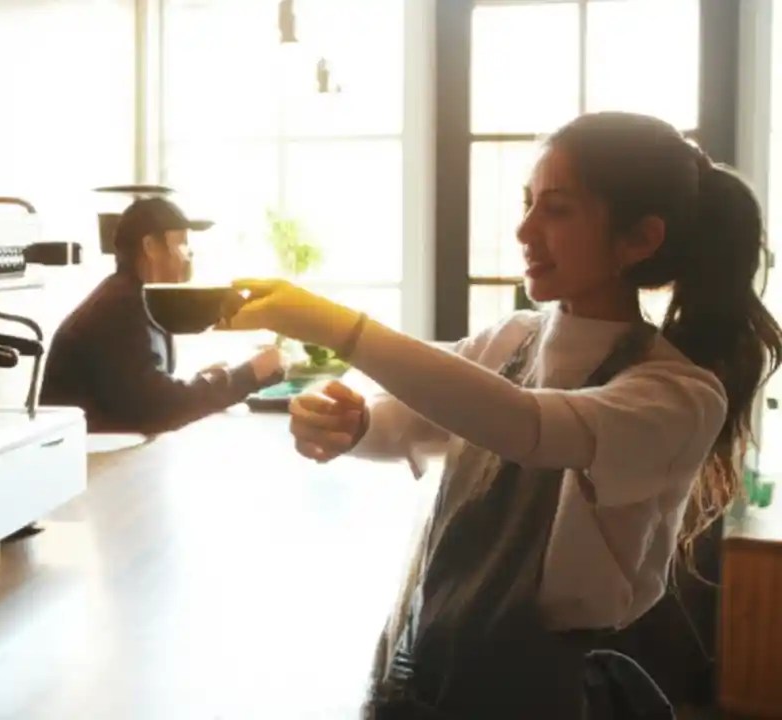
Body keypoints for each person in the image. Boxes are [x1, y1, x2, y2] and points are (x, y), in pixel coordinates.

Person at [224, 111, 782, 719]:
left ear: (639, 239)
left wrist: (340, 327)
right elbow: (411, 420)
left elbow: (529, 427)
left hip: (552, 689)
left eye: (557, 209)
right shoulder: (511, 339)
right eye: (527, 203)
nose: (524, 229)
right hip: (432, 655)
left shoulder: (676, 393)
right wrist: (352, 424)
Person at [40, 196, 284, 434]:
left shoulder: (139, 298)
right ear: (150, 247)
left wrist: (206, 380)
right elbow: (158, 409)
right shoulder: (119, 308)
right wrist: (248, 375)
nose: (189, 253)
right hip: (87, 463)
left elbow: (140, 394)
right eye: (181, 242)